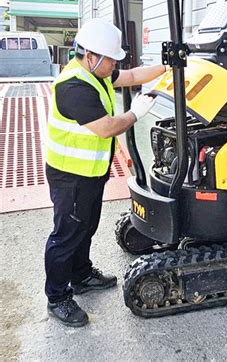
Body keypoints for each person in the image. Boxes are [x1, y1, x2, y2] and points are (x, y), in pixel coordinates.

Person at [44, 19, 167, 327]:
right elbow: (107, 128)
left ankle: (81, 275)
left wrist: (167, 68)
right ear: (91, 56)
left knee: (86, 227)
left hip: (90, 172)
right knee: (66, 235)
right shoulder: (74, 87)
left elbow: (132, 75)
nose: (115, 65)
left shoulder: (96, 72)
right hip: (70, 176)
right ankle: (57, 297)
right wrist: (136, 112)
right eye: (111, 59)